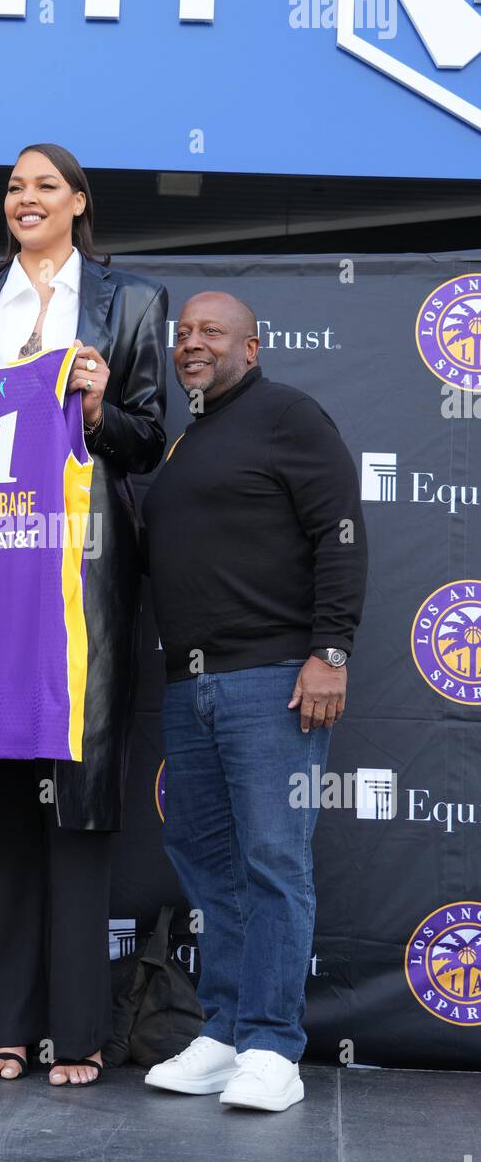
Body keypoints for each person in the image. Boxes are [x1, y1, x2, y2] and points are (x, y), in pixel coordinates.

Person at [0, 143, 167, 1086]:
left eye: (44, 187)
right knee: (4, 799)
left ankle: (80, 1034)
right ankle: (3, 1026)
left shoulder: (130, 301)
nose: (26, 199)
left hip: (78, 580)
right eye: (15, 187)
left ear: (78, 203)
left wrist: (99, 408)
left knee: (79, 801)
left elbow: (150, 440)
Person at [143, 291, 367, 1112]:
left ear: (254, 345)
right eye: (185, 334)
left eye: (212, 332)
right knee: (208, 863)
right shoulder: (189, 439)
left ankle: (275, 1047)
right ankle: (226, 1031)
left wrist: (330, 651)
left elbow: (340, 530)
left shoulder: (287, 416)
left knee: (274, 860)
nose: (193, 344)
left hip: (274, 679)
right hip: (187, 685)